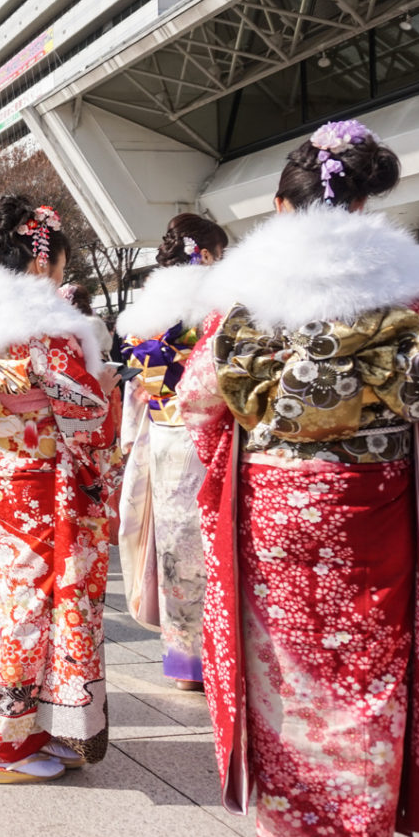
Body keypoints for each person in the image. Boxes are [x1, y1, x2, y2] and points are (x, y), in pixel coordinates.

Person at [179, 120, 419, 837]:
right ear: (360, 201)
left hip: (274, 506)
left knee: (282, 673)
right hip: (370, 511)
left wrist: (249, 452)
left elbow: (199, 400)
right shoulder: (410, 287)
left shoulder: (246, 287)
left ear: (285, 205)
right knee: (363, 683)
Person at [0, 198, 118, 782]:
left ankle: (41, 729)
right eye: (60, 258)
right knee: (37, 607)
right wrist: (106, 388)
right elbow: (82, 409)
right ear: (44, 258)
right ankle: (5, 746)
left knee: (19, 601)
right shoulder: (50, 331)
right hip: (45, 481)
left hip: (0, 473)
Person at [114, 213, 229, 691]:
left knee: (174, 548)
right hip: (206, 435)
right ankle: (215, 655)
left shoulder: (147, 310)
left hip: (161, 434)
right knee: (209, 545)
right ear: (205, 253)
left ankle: (185, 660)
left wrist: (128, 438)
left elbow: (138, 385)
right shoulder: (216, 307)